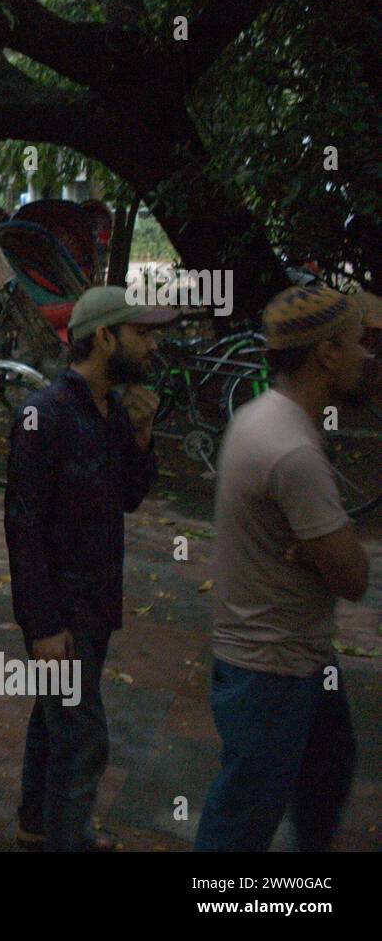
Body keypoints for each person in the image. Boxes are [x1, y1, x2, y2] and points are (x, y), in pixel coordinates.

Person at [195, 287, 378, 852]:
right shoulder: (292, 451)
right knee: (243, 820)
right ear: (325, 353)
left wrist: (319, 546)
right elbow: (354, 579)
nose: (367, 356)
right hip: (272, 670)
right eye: (357, 343)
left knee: (326, 771)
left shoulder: (260, 415)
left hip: (287, 654)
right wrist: (332, 549)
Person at [5, 285, 175, 852]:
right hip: (61, 611)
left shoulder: (112, 413)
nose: (151, 346)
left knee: (56, 722)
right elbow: (22, 528)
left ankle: (36, 819)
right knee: (82, 741)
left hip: (97, 605)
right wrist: (44, 626)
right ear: (104, 337)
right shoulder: (43, 417)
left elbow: (129, 495)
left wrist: (143, 437)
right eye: (141, 333)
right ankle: (66, 839)